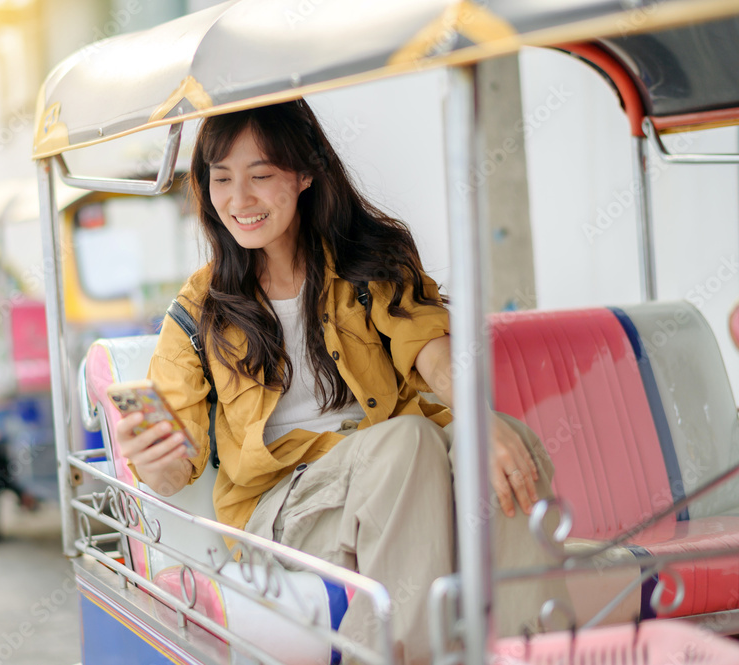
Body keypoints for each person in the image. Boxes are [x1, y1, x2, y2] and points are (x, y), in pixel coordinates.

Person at [115, 100, 565, 664]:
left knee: (506, 446)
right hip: (285, 513)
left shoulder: (369, 261)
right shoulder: (197, 312)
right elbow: (174, 466)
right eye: (221, 179)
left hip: (398, 476)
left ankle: (528, 651)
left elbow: (433, 354)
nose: (239, 199)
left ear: (305, 173)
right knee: (406, 441)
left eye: (261, 176)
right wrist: (153, 459)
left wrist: (483, 422)